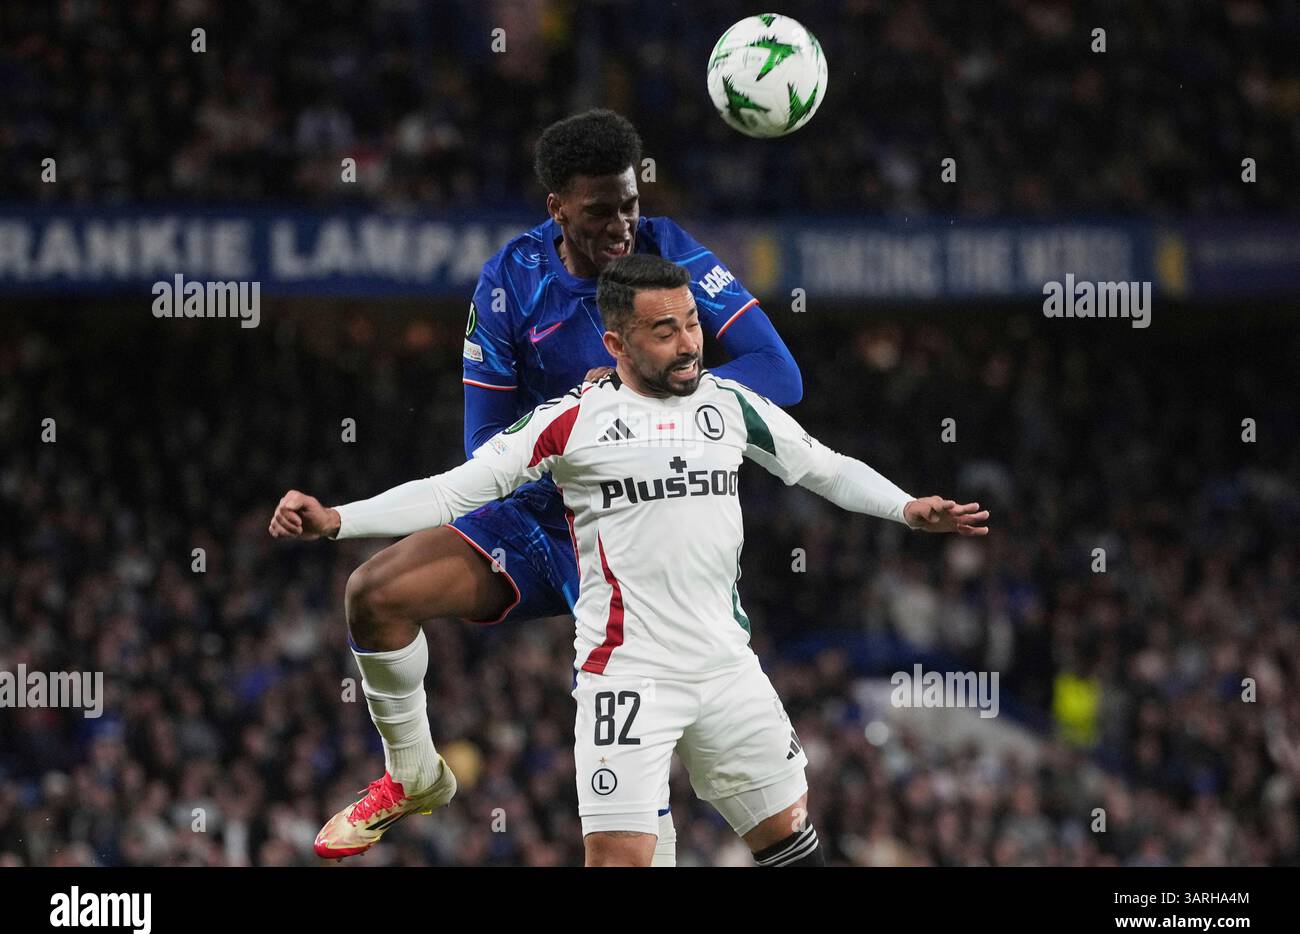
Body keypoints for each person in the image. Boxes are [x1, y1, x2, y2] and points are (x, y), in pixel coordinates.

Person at [271, 254, 988, 865]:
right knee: (617, 858)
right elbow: (450, 492)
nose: (688, 344)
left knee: (791, 842)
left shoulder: (731, 406)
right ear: (616, 341)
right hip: (627, 680)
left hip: (727, 669)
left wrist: (905, 507)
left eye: (692, 324)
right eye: (665, 329)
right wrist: (339, 520)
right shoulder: (571, 422)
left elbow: (825, 469)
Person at [271, 109, 803, 860]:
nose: (622, 224)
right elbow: (483, 447)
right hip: (545, 510)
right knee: (374, 593)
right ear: (557, 208)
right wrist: (576, 433)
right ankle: (415, 774)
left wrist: (648, 397)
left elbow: (779, 374)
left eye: (629, 202)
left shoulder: (669, 252)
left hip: (645, 527)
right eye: (599, 211)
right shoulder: (510, 283)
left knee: (679, 780)